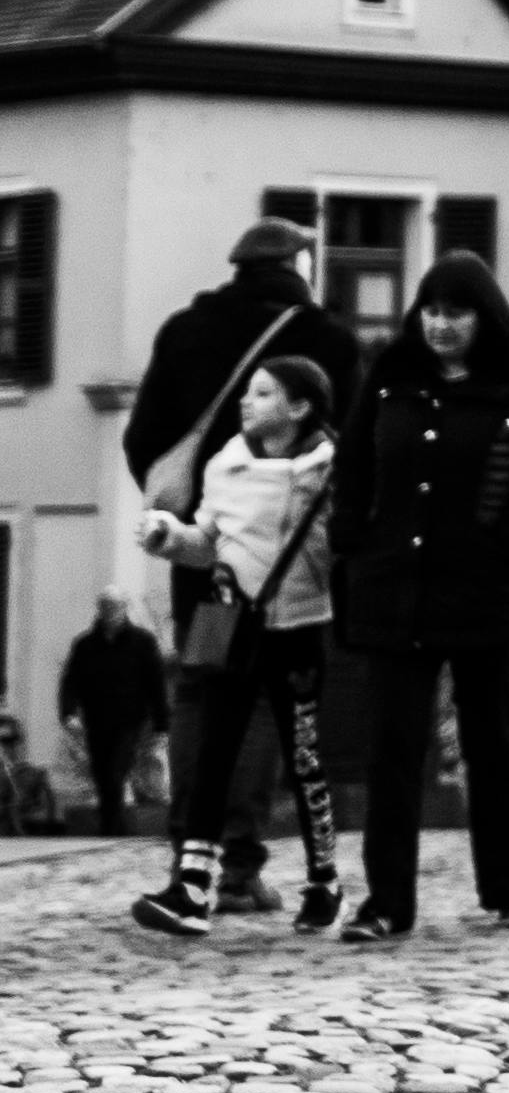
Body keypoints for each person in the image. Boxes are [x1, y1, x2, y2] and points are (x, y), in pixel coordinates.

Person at [328, 249, 509, 944]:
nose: (441, 325)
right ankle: (386, 902)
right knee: (394, 748)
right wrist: (353, 543)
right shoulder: (389, 374)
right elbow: (354, 465)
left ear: (483, 316)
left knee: (490, 744)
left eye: (456, 313)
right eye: (433, 311)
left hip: (488, 594)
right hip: (395, 590)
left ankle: (507, 890)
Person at [121, 218, 361, 913]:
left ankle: (188, 853)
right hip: (290, 576)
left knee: (203, 688)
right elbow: (352, 446)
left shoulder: (185, 329)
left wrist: (199, 510)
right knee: (262, 704)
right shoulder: (325, 340)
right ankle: (239, 864)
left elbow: (144, 437)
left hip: (209, 566)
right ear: (297, 263)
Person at [133, 351, 347, 939]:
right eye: (247, 391)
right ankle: (192, 887)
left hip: (298, 628)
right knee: (211, 752)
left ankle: (325, 880)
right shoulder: (225, 466)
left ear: (298, 408)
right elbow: (208, 540)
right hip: (223, 618)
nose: (245, 402)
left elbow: (344, 550)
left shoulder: (333, 471)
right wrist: (170, 537)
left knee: (304, 760)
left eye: (262, 393)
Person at [57, 592, 169, 837]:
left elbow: (155, 682)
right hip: (96, 718)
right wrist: (68, 713)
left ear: (124, 608)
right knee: (101, 772)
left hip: (130, 719)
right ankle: (113, 826)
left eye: (115, 606)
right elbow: (71, 681)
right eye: (106, 606)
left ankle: (111, 828)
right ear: (99, 609)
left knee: (117, 770)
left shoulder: (142, 642)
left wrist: (162, 723)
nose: (110, 611)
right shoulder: (85, 644)